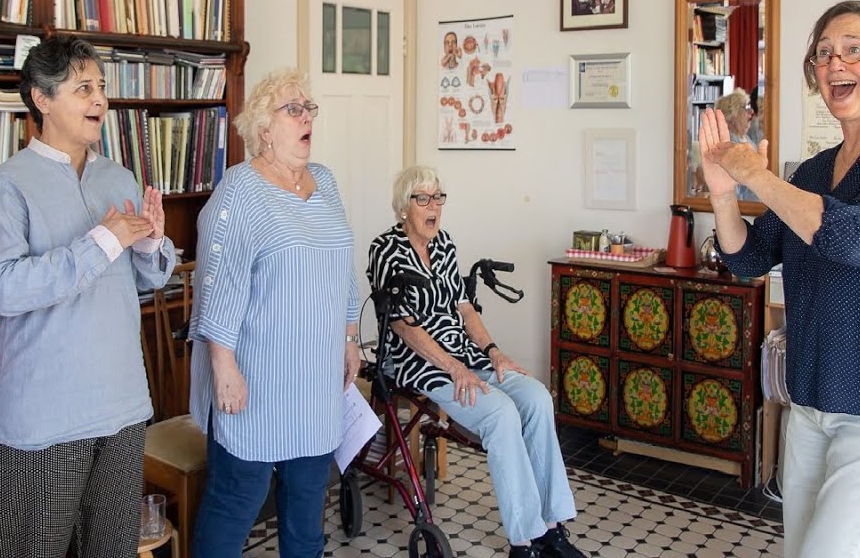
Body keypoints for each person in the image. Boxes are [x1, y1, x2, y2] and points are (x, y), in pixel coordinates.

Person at [700, 1, 860, 558]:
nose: (834, 63)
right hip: (813, 405)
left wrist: (759, 178)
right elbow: (747, 258)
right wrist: (725, 193)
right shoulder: (815, 172)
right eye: (822, 53)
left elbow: (855, 240)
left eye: (851, 50)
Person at [0, 36, 175, 557]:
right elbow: (1, 287)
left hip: (122, 405)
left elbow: (141, 279)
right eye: (83, 87)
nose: (100, 100)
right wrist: (102, 243)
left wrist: (152, 244)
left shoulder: (119, 177)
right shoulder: (7, 184)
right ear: (41, 98)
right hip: (43, 419)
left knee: (111, 551)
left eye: (102, 87)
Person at [367, 166, 586, 558]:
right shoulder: (386, 249)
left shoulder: (444, 244)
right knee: (501, 414)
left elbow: (464, 309)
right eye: (423, 199)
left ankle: (552, 528)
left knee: (536, 398)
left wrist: (494, 352)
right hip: (423, 363)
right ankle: (524, 542)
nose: (433, 206)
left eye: (438, 197)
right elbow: (403, 325)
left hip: (466, 355)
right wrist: (453, 367)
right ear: (404, 207)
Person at [189, 68, 359, 558]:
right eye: (294, 109)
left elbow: (343, 265)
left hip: (315, 382)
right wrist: (224, 368)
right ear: (265, 128)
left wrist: (350, 337)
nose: (307, 117)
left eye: (310, 109)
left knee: (307, 515)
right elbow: (217, 285)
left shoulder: (323, 181)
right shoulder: (239, 192)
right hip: (256, 381)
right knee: (234, 504)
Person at [713, 90, 758, 201]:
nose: (751, 111)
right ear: (731, 115)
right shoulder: (728, 144)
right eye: (745, 108)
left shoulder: (748, 139)